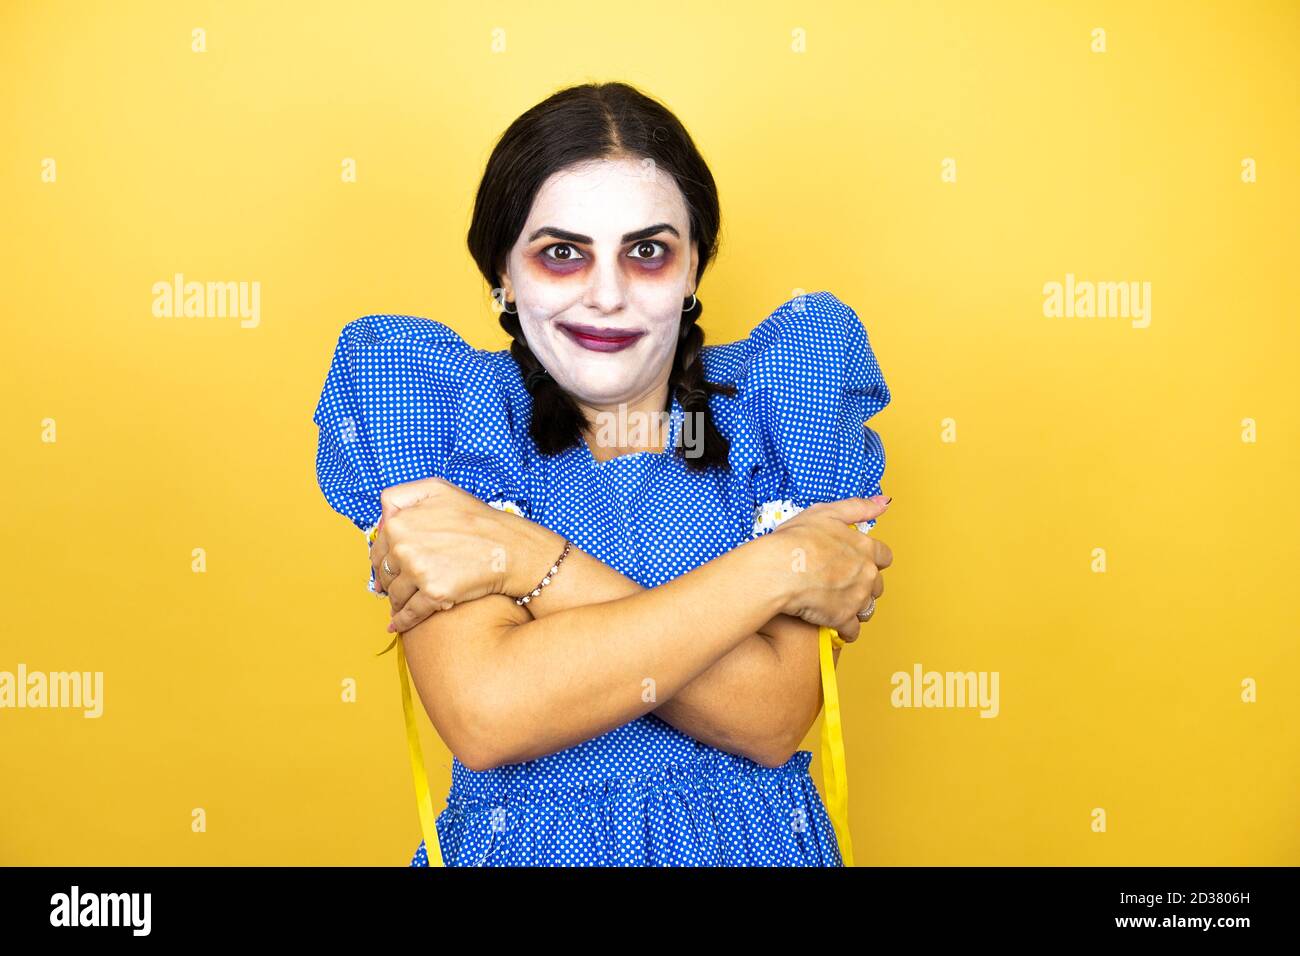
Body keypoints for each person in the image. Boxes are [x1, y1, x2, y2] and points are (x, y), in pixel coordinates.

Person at [312, 81, 894, 866]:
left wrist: (518, 561)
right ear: (504, 277)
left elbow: (765, 718)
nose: (608, 295)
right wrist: (776, 566)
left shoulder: (779, 408)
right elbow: (489, 713)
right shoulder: (439, 416)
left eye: (647, 251)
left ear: (693, 270)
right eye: (562, 254)